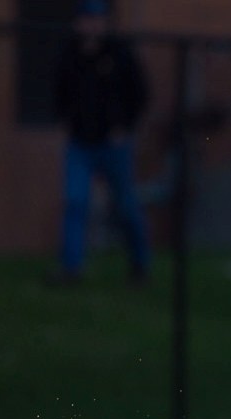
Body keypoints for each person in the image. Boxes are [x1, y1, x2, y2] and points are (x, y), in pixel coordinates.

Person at [50, 0, 151, 285]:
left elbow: (140, 94)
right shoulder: (69, 53)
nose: (93, 25)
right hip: (80, 143)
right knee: (75, 201)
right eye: (88, 19)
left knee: (125, 205)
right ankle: (71, 268)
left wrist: (125, 127)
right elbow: (58, 92)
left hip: (114, 144)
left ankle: (140, 265)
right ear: (78, 22)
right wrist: (64, 121)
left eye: (98, 20)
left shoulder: (119, 53)